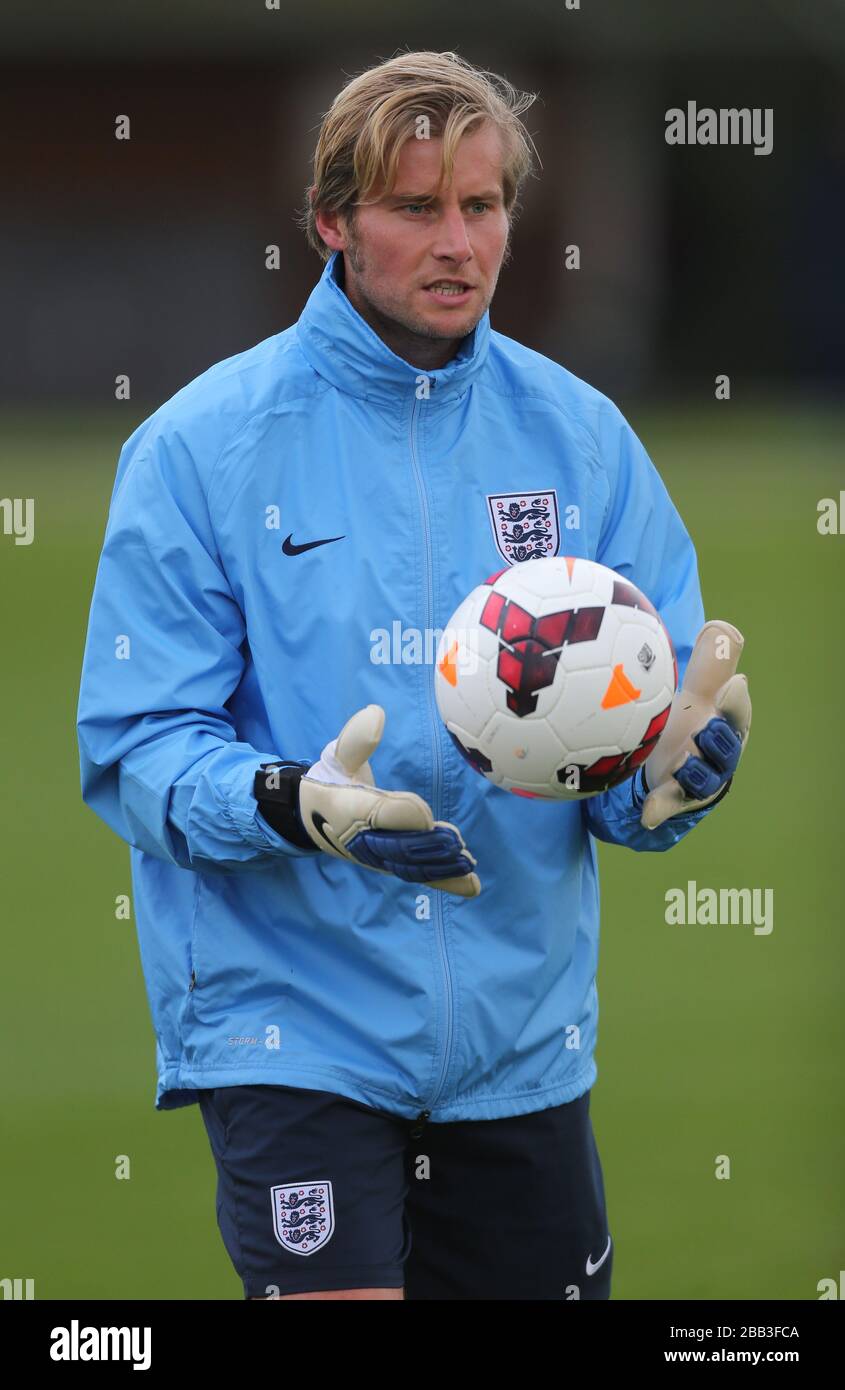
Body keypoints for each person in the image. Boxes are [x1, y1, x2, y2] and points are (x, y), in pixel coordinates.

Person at [76, 50, 751, 1301]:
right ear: (332, 220)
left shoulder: (583, 440)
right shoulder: (198, 450)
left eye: (483, 206)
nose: (459, 242)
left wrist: (672, 773)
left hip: (519, 1047)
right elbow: (134, 747)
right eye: (415, 205)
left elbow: (629, 760)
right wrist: (295, 802)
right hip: (294, 1037)